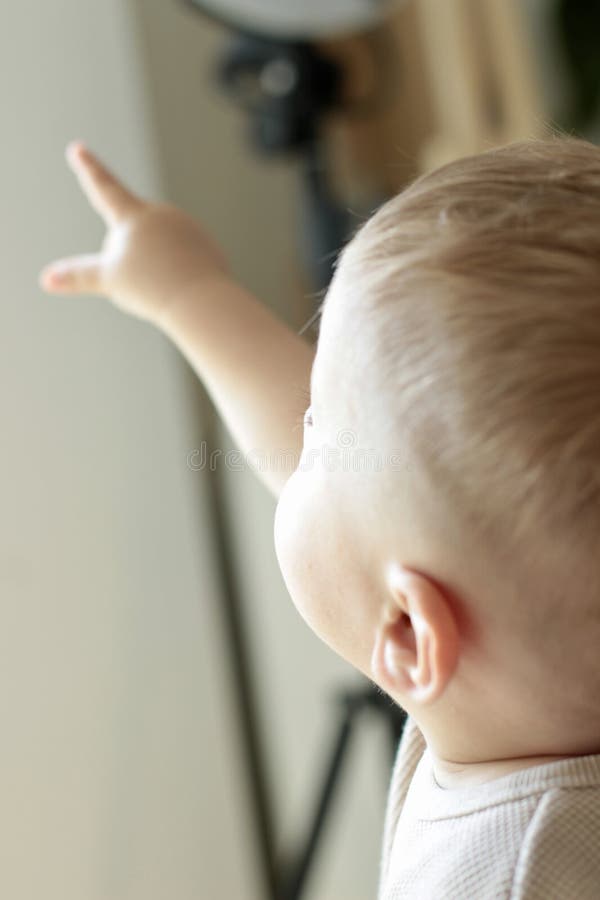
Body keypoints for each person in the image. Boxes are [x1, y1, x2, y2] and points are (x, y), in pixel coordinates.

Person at [40, 137, 600, 898]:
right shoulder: (518, 683)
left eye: (316, 429)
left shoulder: (506, 878)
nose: (298, 423)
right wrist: (189, 295)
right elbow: (367, 488)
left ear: (408, 632)